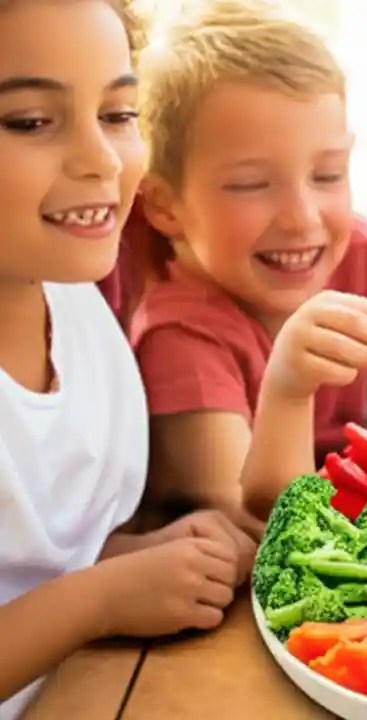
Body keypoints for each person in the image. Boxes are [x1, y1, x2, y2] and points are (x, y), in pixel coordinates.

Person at [0, 2, 252, 717]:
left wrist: (128, 562)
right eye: (28, 122)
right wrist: (99, 599)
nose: (103, 160)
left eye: (118, 114)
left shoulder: (76, 306)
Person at [127, 0, 367, 532]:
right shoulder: (177, 336)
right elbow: (268, 523)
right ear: (163, 205)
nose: (302, 217)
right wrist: (289, 387)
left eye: (328, 174)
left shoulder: (359, 255)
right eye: (251, 184)